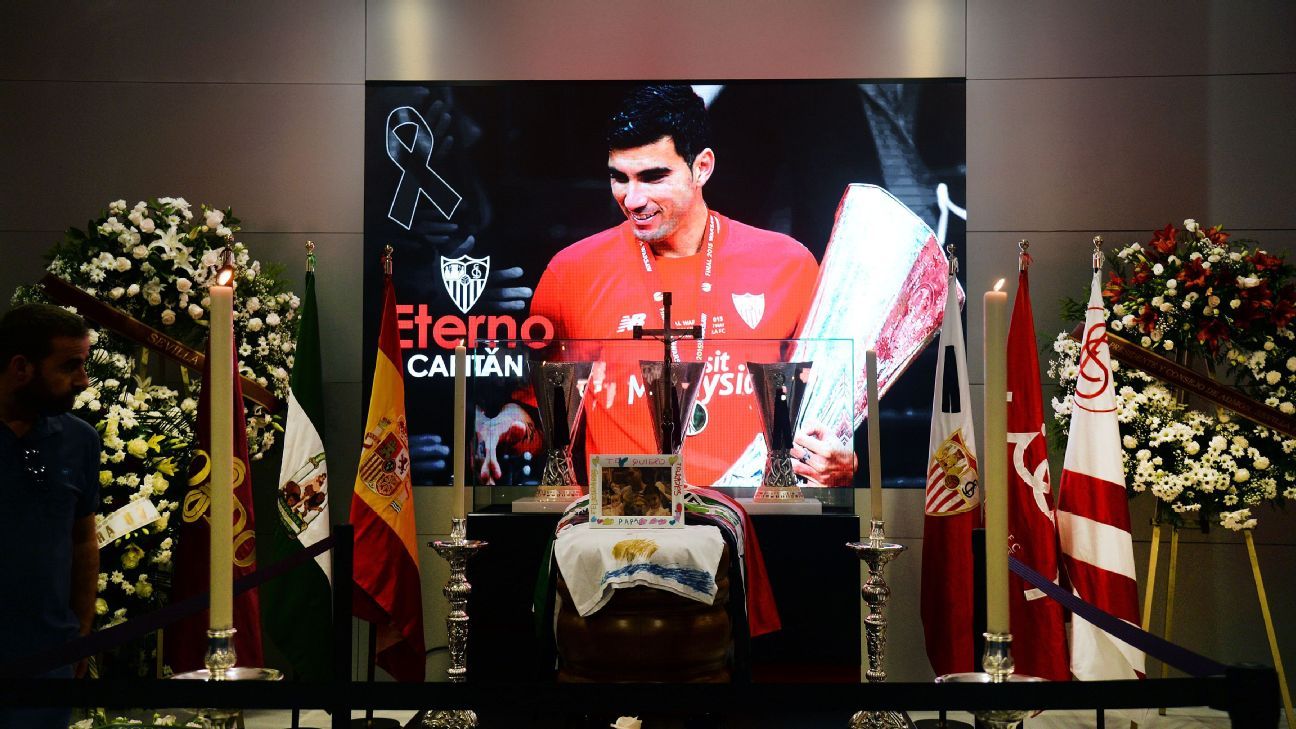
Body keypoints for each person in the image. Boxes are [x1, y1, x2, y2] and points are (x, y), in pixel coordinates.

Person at [528, 84, 856, 487]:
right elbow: (541, 415)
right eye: (620, 178)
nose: (632, 199)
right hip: (618, 526)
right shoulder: (571, 273)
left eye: (653, 177)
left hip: (752, 525)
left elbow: (831, 414)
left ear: (702, 167)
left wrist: (841, 460)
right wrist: (512, 423)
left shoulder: (787, 265)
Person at [0, 304, 99, 728]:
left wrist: (80, 634)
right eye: (70, 365)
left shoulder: (80, 440)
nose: (83, 380)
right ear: (22, 367)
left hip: (48, 658)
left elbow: (83, 540)